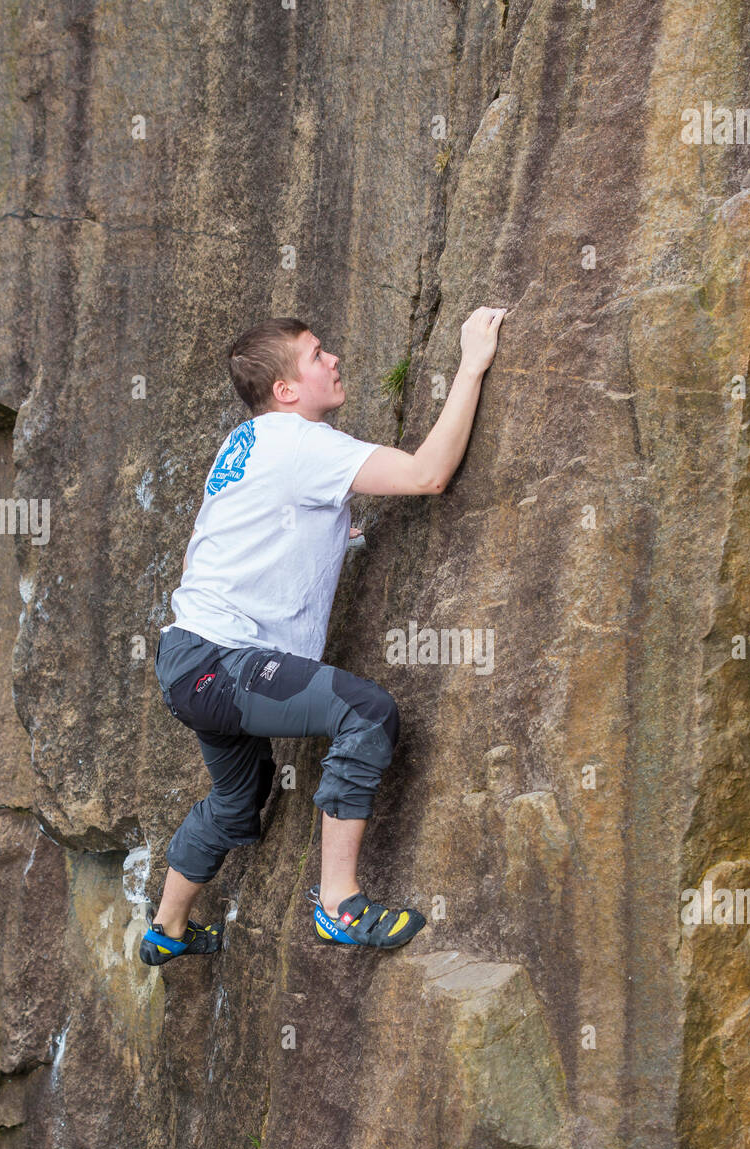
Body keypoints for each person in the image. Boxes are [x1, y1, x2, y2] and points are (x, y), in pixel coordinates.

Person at [140, 306, 507, 963]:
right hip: (222, 664)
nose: (333, 359)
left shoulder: (247, 441)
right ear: (285, 391)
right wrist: (472, 365)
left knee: (238, 797)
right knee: (365, 714)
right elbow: (428, 475)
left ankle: (166, 931)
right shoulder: (300, 442)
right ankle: (339, 906)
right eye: (316, 356)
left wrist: (341, 536)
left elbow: (264, 526)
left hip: (188, 658)